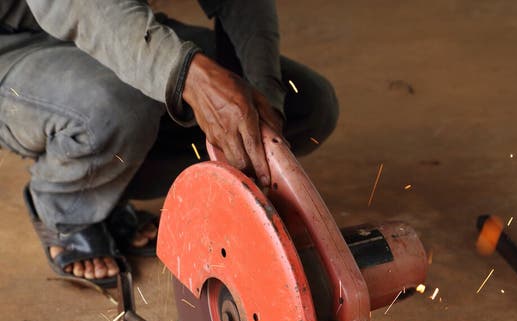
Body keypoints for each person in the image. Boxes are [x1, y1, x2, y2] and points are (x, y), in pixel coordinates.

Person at [0, 1, 338, 287]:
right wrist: (189, 78)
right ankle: (66, 209)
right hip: (14, 41)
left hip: (115, 13)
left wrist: (263, 92)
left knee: (307, 106)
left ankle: (108, 185)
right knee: (118, 109)